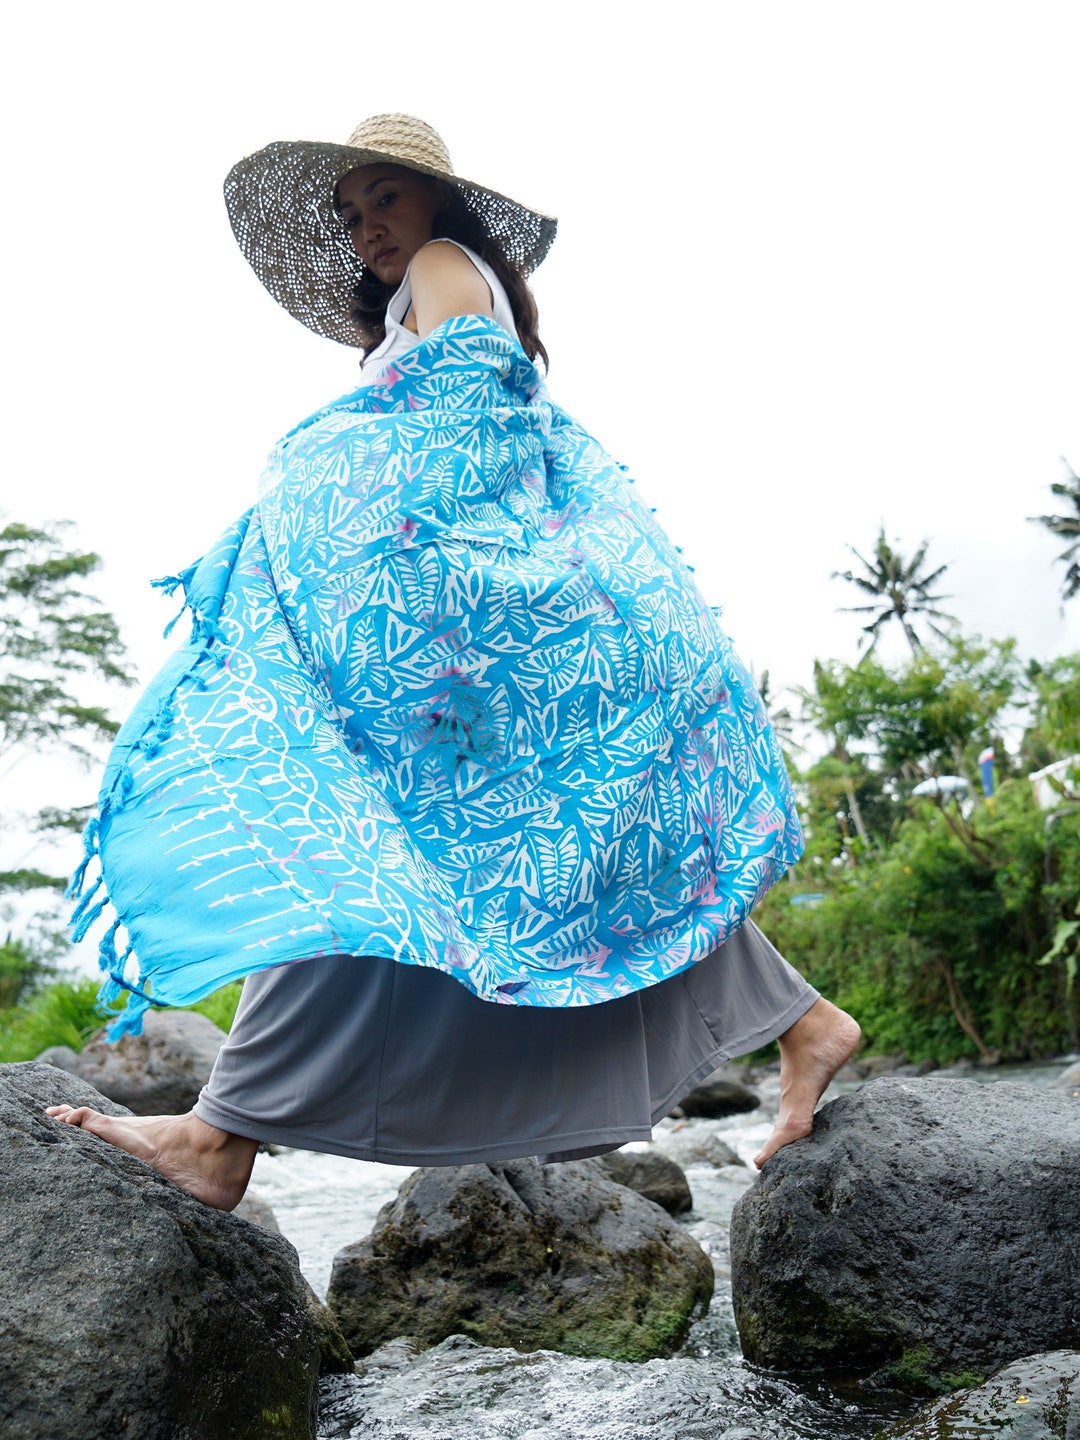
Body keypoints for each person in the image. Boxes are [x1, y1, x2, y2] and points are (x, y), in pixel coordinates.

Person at [48, 115, 859, 1208]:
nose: (369, 226)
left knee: (373, 859)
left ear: (436, 200)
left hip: (491, 635)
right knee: (551, 871)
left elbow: (464, 430)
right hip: (492, 639)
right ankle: (805, 1022)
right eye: (351, 212)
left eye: (385, 196)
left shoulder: (441, 268)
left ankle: (218, 1139)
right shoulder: (420, 297)